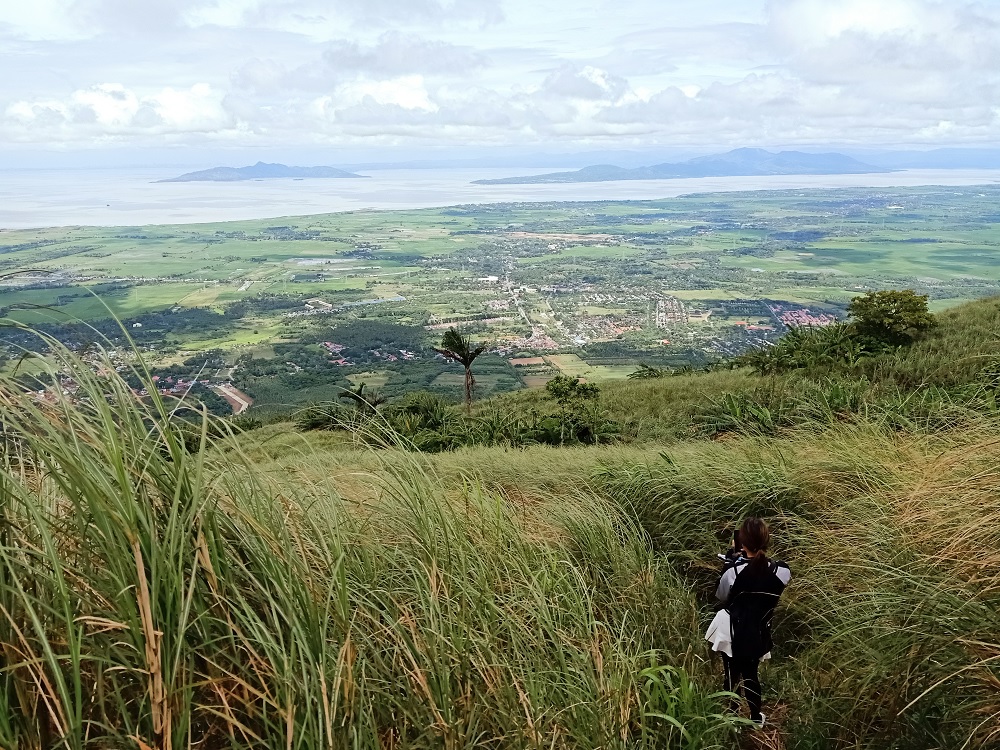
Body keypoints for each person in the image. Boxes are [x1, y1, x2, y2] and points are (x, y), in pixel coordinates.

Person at [714, 517, 791, 728]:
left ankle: (733, 718)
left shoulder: (733, 572)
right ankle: (756, 718)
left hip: (733, 630)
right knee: (751, 674)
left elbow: (722, 596)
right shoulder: (782, 571)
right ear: (766, 540)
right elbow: (765, 573)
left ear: (742, 542)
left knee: (731, 674)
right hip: (759, 630)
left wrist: (730, 563)